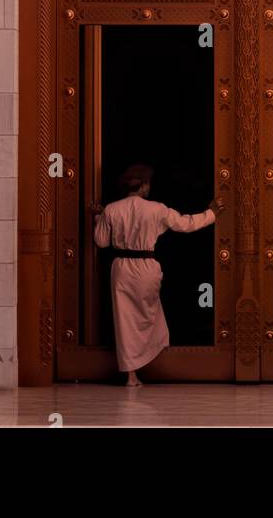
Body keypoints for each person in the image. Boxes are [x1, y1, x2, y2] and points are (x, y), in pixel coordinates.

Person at [93, 164, 222, 386]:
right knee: (150, 315)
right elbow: (186, 224)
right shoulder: (157, 209)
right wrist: (212, 213)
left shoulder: (111, 210)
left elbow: (101, 242)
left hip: (121, 268)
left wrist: (99, 217)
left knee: (124, 322)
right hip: (147, 267)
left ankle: (131, 375)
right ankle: (157, 363)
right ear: (143, 186)